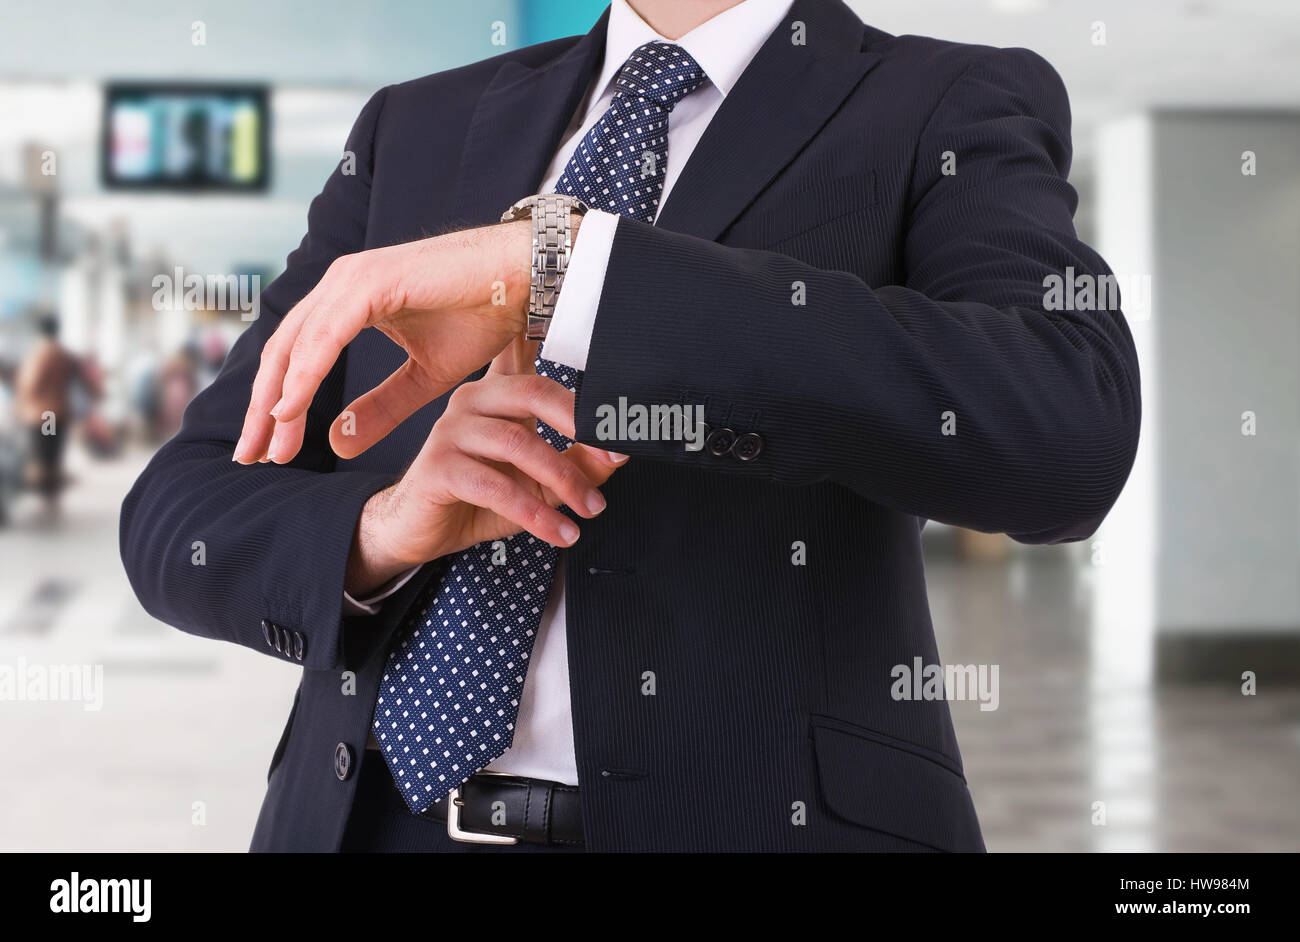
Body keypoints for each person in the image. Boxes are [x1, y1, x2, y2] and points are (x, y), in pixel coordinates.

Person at [120, 0, 1141, 852]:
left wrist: (568, 269)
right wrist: (383, 529)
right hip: (367, 821)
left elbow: (1065, 432)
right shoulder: (414, 129)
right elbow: (180, 507)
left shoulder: (938, 102)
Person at [15, 313, 95, 516]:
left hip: (43, 413)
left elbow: (30, 384)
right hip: (58, 412)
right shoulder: (64, 354)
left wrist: (19, 406)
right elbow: (84, 381)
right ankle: (50, 498)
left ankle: (47, 499)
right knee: (52, 455)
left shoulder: (41, 353)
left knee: (43, 454)